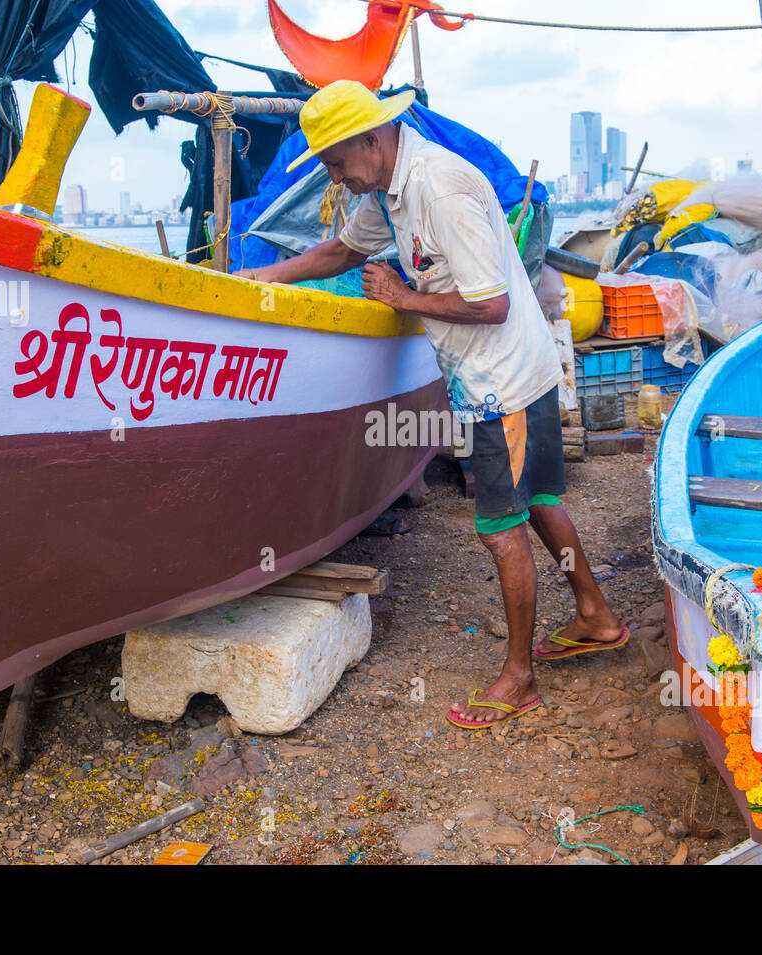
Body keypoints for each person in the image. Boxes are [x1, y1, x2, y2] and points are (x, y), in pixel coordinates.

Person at [238, 80, 626, 728]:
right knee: (536, 503)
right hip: (495, 373)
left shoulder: (437, 188)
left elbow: (492, 302)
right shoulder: (385, 190)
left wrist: (401, 296)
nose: (335, 176)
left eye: (335, 162)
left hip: (501, 378)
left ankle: (519, 677)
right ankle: (595, 614)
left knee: (499, 530)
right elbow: (344, 249)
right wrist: (267, 276)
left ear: (371, 139)